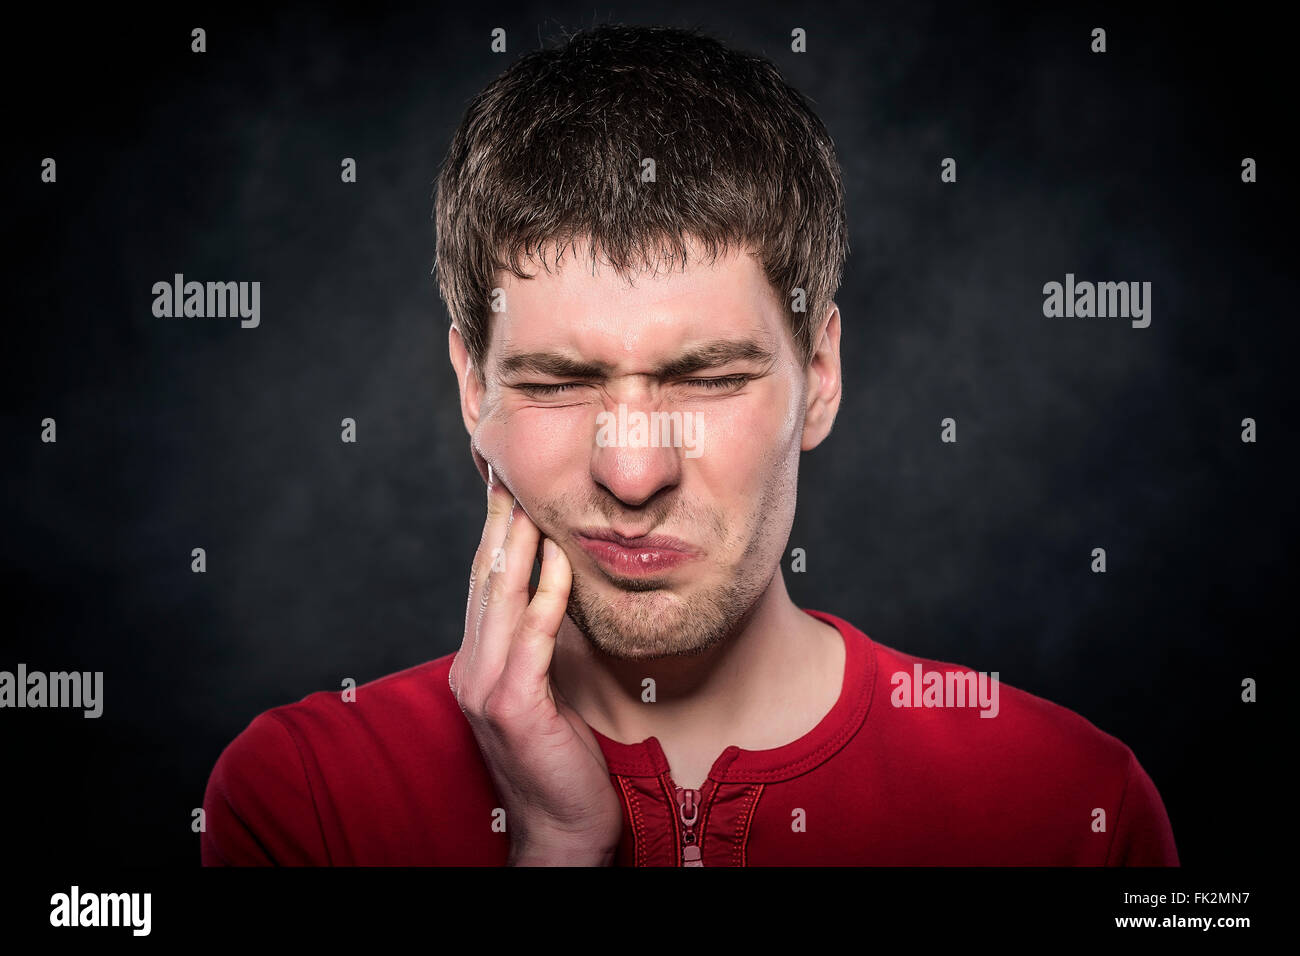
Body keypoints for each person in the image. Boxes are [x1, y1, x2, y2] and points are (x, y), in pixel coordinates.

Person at [201, 23, 1177, 866]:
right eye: (555, 383)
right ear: (471, 388)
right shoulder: (308, 799)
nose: (632, 471)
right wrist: (554, 845)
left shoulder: (1068, 808)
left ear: (821, 375)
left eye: (708, 377)